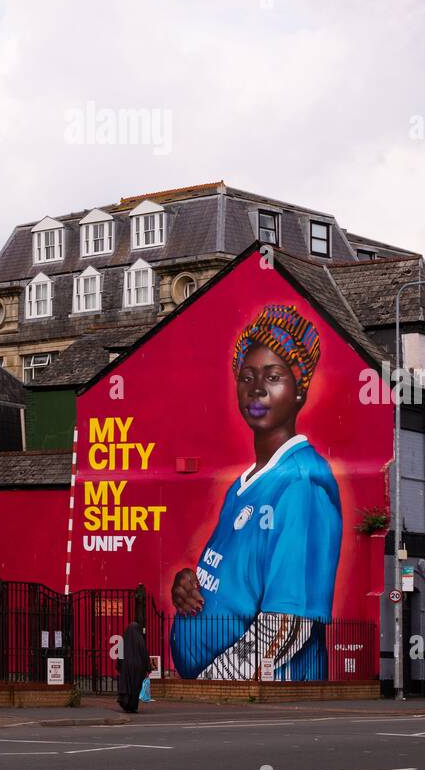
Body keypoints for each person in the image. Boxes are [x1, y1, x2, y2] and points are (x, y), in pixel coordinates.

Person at [169, 304, 342, 681]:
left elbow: (289, 622)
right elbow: (235, 578)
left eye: (273, 376)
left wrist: (213, 683)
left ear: (301, 388)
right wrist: (188, 581)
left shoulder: (301, 484)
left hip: (268, 694)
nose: (257, 388)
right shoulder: (242, 485)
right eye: (246, 377)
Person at [117, 619, 151, 713]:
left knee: (126, 684)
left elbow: (120, 656)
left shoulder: (123, 641)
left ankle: (126, 703)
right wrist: (148, 668)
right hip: (138, 668)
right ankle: (133, 705)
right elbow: (144, 654)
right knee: (135, 686)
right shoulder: (140, 640)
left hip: (125, 666)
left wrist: (119, 667)